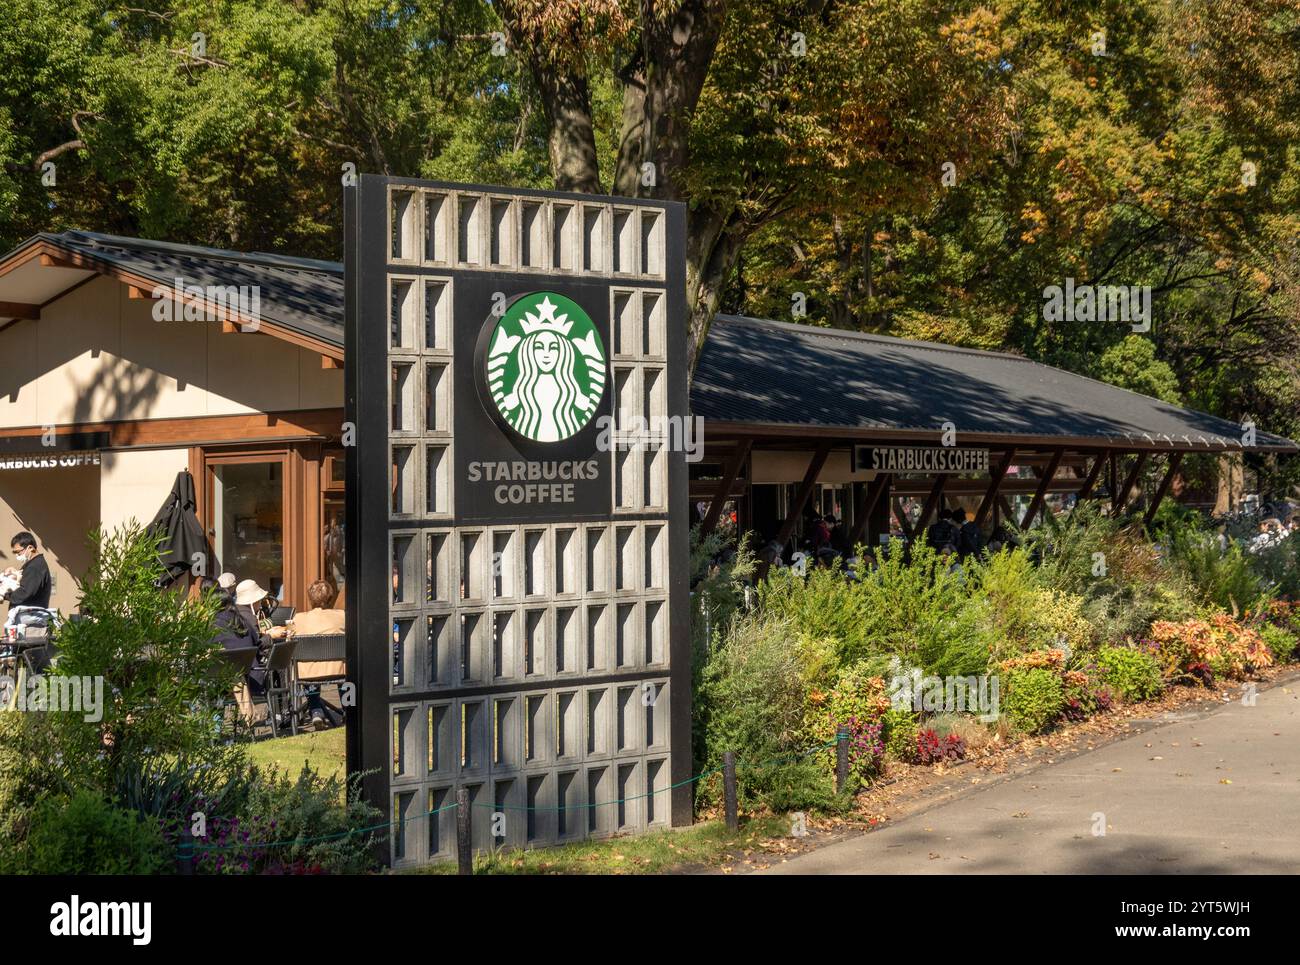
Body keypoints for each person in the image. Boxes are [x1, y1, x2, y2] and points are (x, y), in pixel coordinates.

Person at [293, 579, 346, 730]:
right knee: (349, 674)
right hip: (338, 670)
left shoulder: (298, 619)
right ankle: (350, 709)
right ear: (330, 598)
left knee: (308, 668)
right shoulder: (342, 616)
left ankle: (315, 710)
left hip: (309, 673)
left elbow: (289, 638)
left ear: (310, 598)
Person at [2, 531, 51, 610]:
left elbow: (24, 593)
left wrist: (4, 594)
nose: (16, 555)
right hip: (26, 617)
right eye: (14, 552)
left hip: (30, 618)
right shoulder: (32, 564)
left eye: (18, 552)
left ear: (30, 548)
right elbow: (24, 583)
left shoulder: (35, 566)